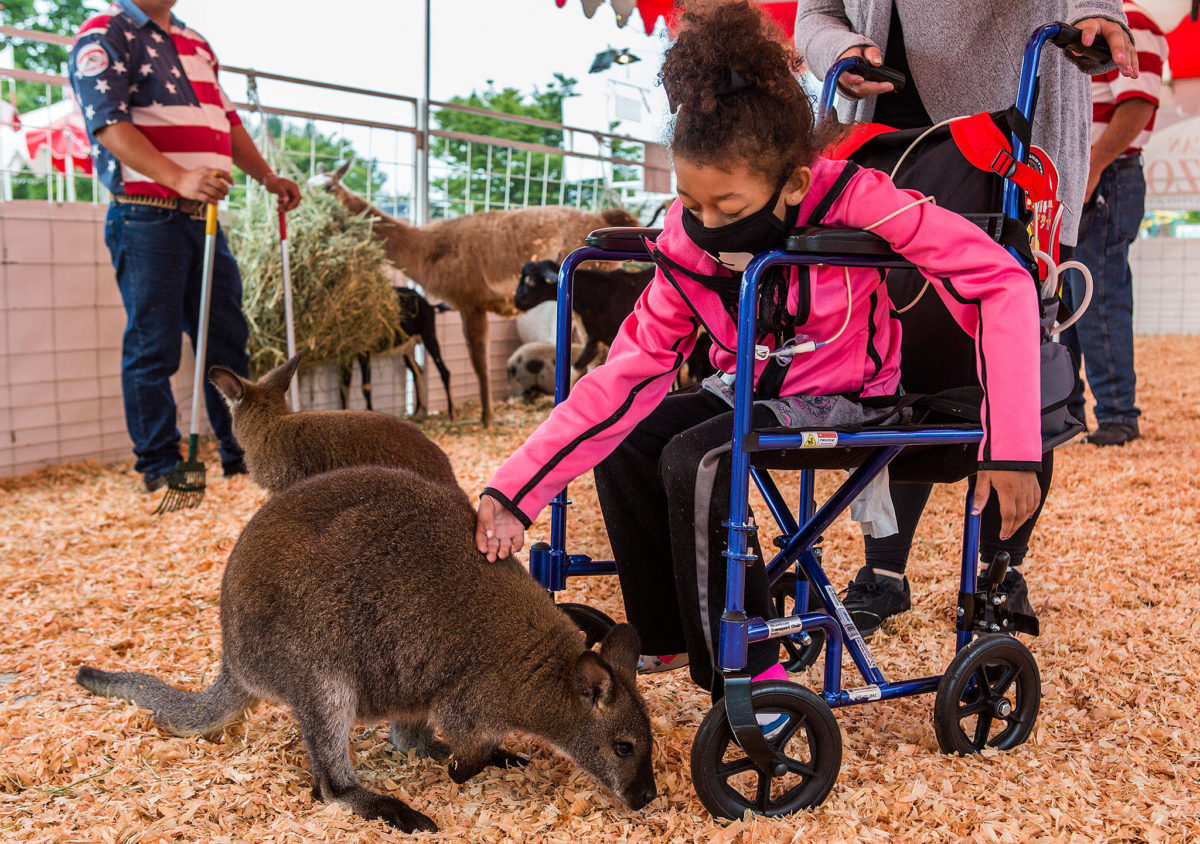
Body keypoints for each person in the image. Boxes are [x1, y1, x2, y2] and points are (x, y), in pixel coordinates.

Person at [475, 0, 1043, 711]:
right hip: (747, 389)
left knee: (699, 458)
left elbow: (1001, 279)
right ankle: (674, 633)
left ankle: (753, 674)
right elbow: (626, 374)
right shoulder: (687, 242)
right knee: (633, 442)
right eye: (689, 200)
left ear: (793, 184)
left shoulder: (857, 197)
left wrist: (1013, 447)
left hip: (848, 399)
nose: (705, 222)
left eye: (727, 203)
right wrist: (513, 493)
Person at [795, 0, 1135, 635]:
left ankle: (998, 573)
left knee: (1019, 350)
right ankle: (885, 572)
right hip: (877, 139)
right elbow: (815, 12)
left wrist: (1094, 10)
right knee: (889, 351)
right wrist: (835, 50)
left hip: (1001, 126)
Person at [68, 0, 300, 492]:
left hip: (205, 215)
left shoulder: (197, 42)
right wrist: (179, 178)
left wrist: (266, 176)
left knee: (226, 337)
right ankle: (161, 466)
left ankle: (242, 454)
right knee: (154, 343)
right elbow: (108, 123)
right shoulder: (104, 33)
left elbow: (228, 120)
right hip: (146, 210)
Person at [1063, 1, 1169, 446]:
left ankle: (1117, 414)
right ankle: (1074, 412)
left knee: (1098, 294)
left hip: (1106, 173)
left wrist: (1090, 169)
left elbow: (1138, 104)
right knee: (1070, 297)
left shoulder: (1133, 22)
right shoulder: (1087, 21)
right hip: (1089, 172)